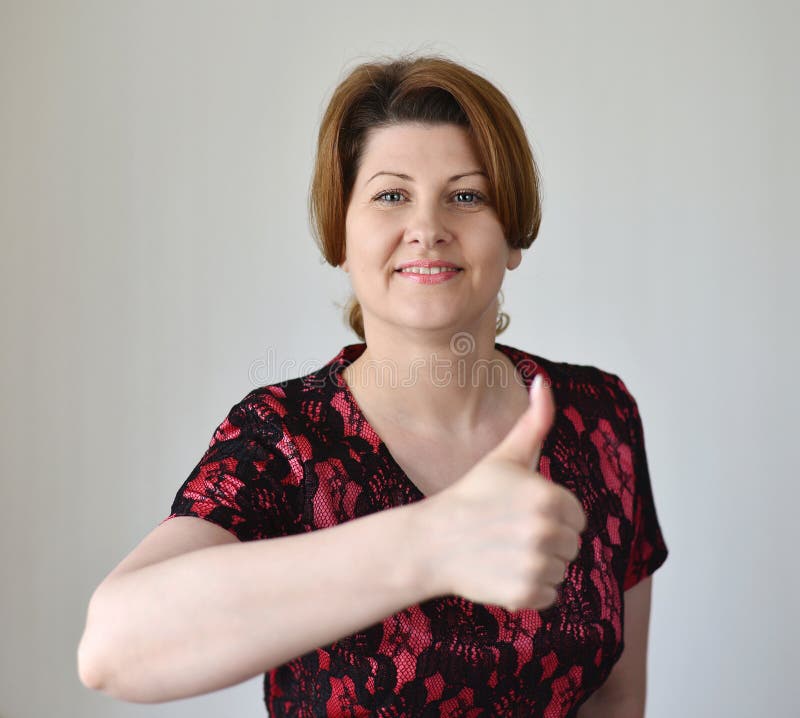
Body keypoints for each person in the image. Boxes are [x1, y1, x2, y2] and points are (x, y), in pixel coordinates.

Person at [77, 53, 669, 716]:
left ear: (513, 236)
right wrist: (434, 540)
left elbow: (617, 697)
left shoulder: (599, 415)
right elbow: (113, 650)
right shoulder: (283, 437)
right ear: (341, 236)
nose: (428, 229)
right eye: (391, 195)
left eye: (466, 196)